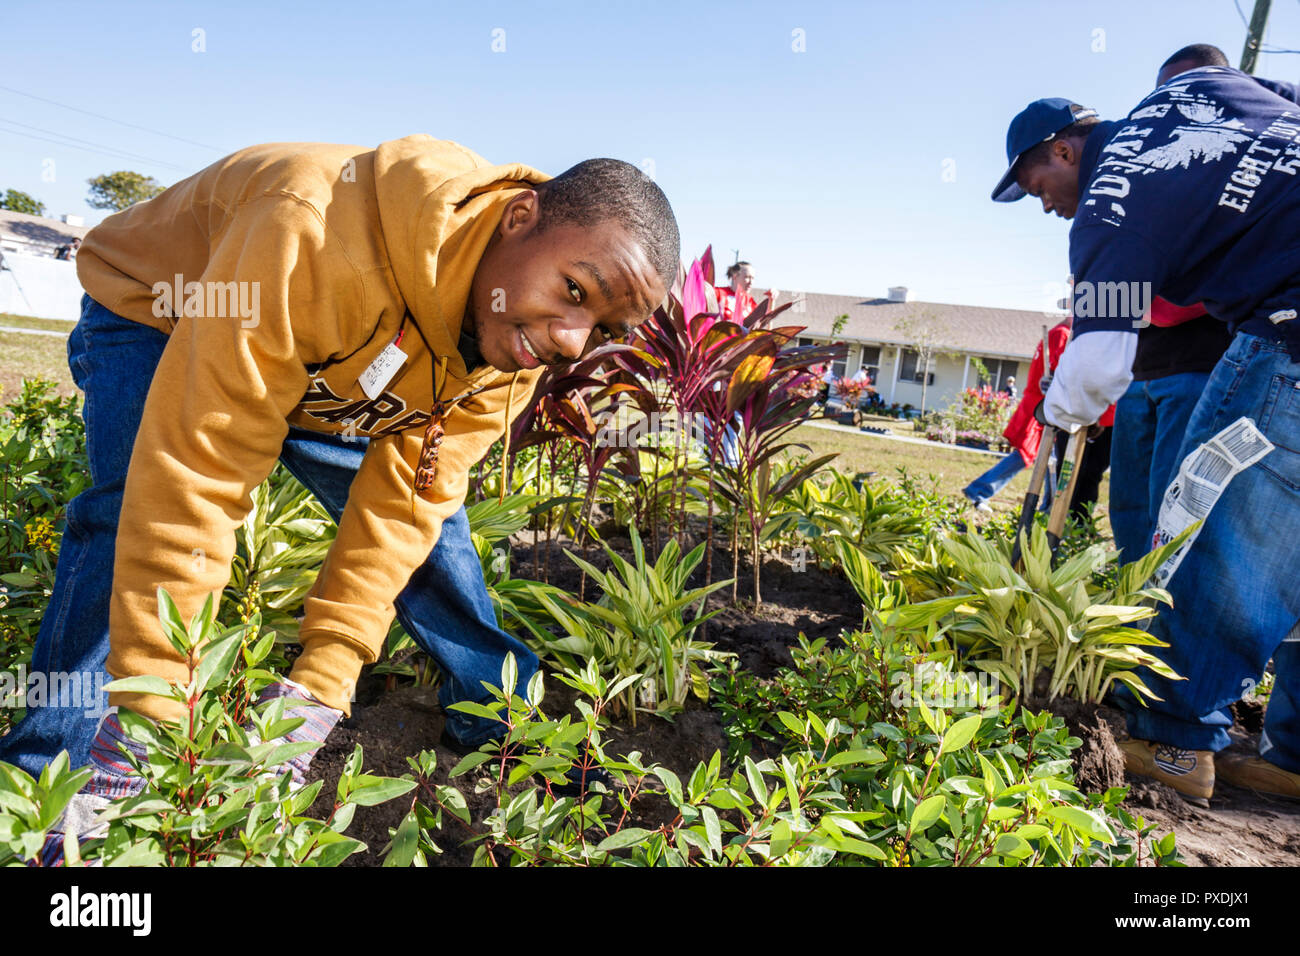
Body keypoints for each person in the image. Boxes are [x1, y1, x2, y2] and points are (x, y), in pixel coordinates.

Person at [15, 135, 679, 861]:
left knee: (433, 531)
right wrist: (152, 715)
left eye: (603, 330)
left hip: (344, 361)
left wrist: (320, 690)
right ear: (519, 218)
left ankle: (498, 716)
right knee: (131, 513)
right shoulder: (311, 232)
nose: (571, 341)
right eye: (575, 291)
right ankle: (52, 776)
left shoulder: (511, 338)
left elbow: (405, 509)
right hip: (162, 308)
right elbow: (196, 479)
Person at [995, 67, 1300, 803]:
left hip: (1291, 330)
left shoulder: (1110, 201)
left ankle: (1174, 739)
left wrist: (1057, 413)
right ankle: (1292, 758)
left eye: (1038, 189)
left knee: (1209, 525)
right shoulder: (1200, 85)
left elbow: (1099, 365)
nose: (1047, 209)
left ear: (1066, 150)